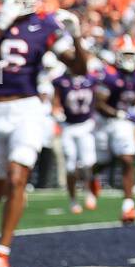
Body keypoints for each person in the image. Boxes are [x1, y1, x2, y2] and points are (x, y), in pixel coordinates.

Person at [0, 0, 87, 267]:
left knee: (19, 176)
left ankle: (2, 250)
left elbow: (79, 69)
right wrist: (1, 25)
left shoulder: (46, 25)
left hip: (27, 109)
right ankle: (10, 200)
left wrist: (77, 38)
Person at [94, 36, 135, 225]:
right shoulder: (109, 74)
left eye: (131, 54)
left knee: (127, 159)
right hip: (103, 122)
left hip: (123, 122)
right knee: (101, 162)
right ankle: (92, 177)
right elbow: (99, 103)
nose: (128, 59)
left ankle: (128, 206)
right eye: (125, 54)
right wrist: (116, 113)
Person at [53, 68, 99, 213]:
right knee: (70, 167)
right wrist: (56, 112)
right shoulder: (61, 80)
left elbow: (99, 99)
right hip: (68, 126)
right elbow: (55, 102)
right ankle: (73, 200)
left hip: (86, 125)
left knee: (88, 163)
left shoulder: (91, 78)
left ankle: (89, 191)